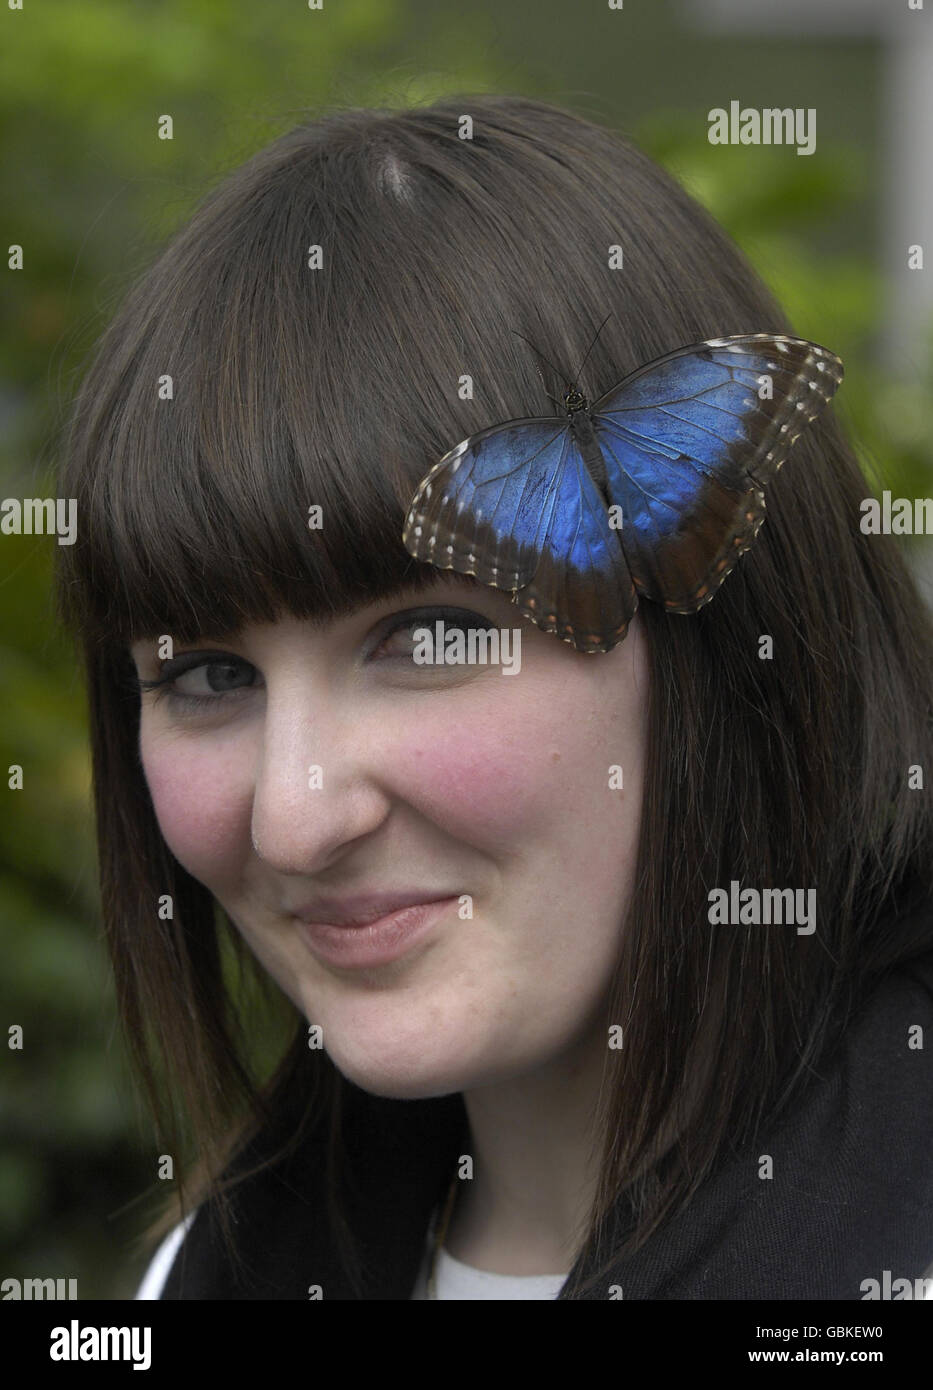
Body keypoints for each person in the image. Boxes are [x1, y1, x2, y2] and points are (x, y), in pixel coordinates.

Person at [54, 93, 933, 1300]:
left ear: (727, 635)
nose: (295, 820)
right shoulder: (207, 1272)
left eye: (429, 634)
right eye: (207, 676)